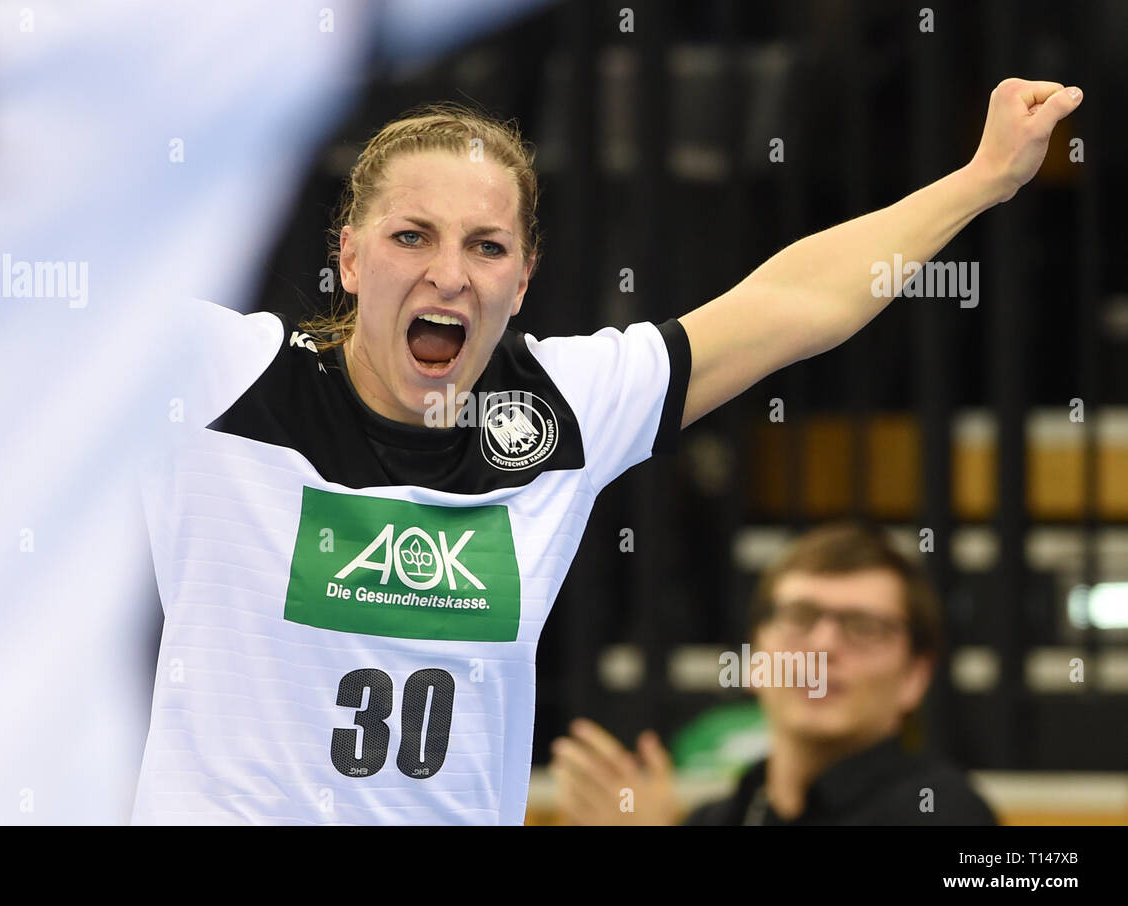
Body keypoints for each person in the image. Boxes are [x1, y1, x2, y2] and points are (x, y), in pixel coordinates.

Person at [135, 79, 1080, 824]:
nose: (448, 273)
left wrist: (985, 176)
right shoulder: (221, 380)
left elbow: (800, 304)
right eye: (411, 236)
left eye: (487, 246)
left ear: (525, 278)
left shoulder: (563, 405)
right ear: (349, 258)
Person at [549, 522, 997, 826]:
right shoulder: (720, 816)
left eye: (863, 627)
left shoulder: (943, 810)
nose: (823, 647)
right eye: (800, 617)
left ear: (915, 677)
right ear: (755, 658)